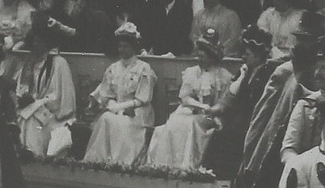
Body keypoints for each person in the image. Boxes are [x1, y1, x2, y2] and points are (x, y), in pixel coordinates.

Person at [144, 38, 236, 172]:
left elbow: (224, 102)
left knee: (190, 124)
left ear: (212, 57)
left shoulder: (224, 76)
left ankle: (186, 165)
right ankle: (167, 164)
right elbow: (185, 97)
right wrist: (199, 106)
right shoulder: (192, 72)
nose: (199, 59)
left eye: (203, 56)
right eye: (198, 55)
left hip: (211, 116)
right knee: (173, 123)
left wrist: (211, 110)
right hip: (191, 111)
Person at [82, 23, 159, 166]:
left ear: (133, 47)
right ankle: (99, 161)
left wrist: (120, 108)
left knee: (119, 122)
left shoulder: (143, 68)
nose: (122, 50)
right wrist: (113, 107)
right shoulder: (113, 68)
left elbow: (142, 99)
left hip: (137, 111)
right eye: (120, 46)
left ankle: (121, 162)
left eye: (126, 46)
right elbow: (107, 94)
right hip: (116, 109)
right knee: (106, 118)